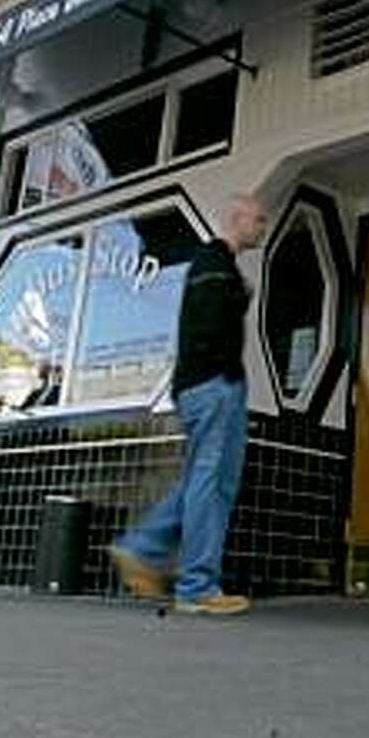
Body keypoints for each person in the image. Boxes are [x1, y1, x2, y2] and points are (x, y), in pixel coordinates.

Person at [108, 193, 269, 616]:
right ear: (236, 218)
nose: (263, 225)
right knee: (210, 484)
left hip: (210, 385)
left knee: (207, 481)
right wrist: (224, 374)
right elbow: (208, 327)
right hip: (214, 385)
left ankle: (141, 547)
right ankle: (197, 586)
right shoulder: (214, 266)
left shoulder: (216, 267)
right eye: (258, 218)